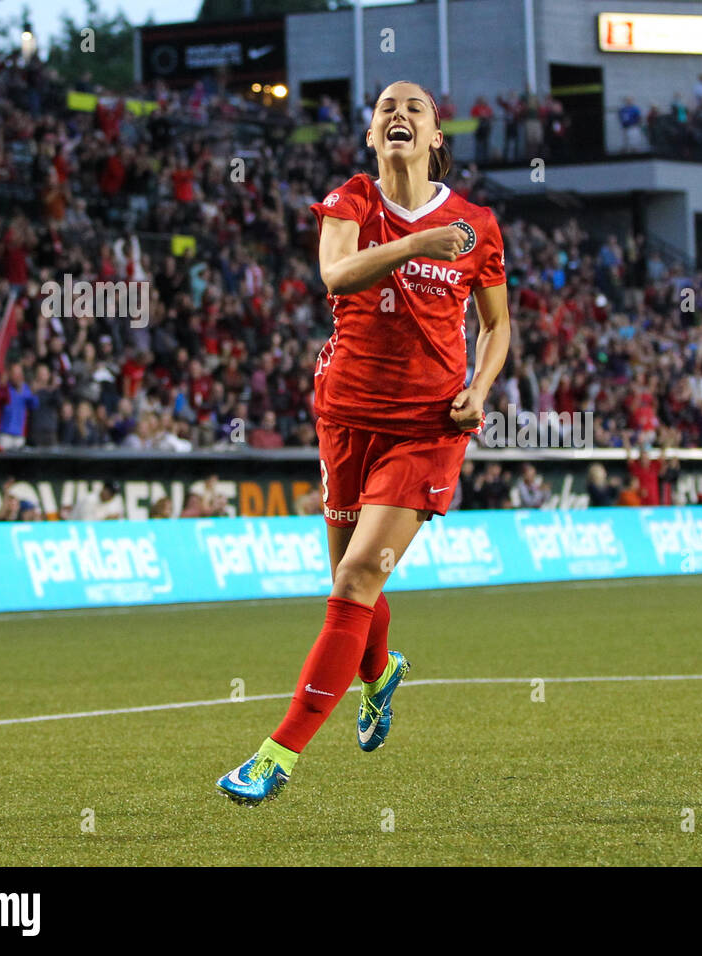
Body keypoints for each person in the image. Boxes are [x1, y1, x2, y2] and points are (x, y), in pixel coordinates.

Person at [217, 80, 511, 807]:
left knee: (354, 582)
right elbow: (335, 273)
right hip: (345, 417)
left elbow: (499, 325)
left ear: (437, 137)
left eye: (414, 109)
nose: (399, 116)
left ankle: (274, 756)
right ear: (374, 137)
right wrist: (415, 243)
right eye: (386, 110)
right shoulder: (351, 200)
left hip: (427, 427)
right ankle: (380, 677)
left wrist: (481, 388)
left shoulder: (476, 226)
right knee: (351, 580)